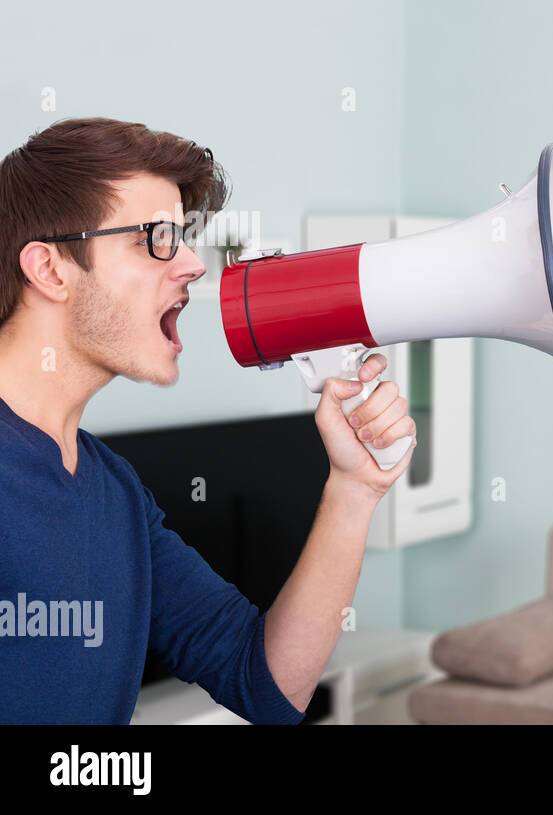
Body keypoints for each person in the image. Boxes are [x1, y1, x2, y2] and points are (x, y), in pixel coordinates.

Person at [0, 118, 417, 724]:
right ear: (51, 269)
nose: (194, 264)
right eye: (156, 239)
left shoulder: (114, 492)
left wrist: (355, 490)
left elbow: (266, 685)